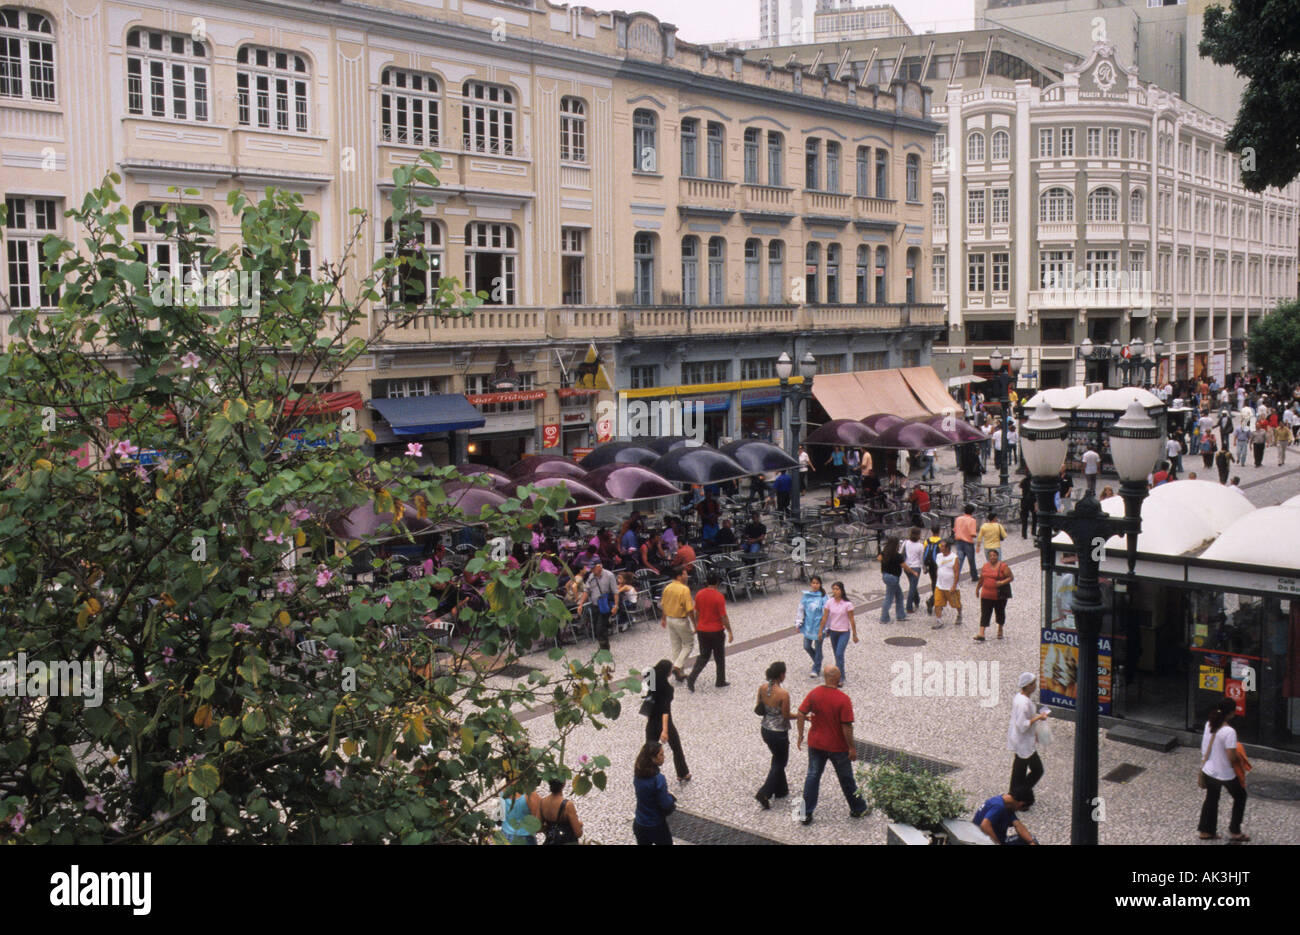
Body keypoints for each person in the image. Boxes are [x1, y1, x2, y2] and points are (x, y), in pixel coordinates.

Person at [796, 666, 867, 825]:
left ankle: (805, 813)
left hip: (816, 743)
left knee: (812, 776)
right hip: (837, 747)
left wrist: (800, 735)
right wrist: (852, 747)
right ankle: (858, 808)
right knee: (846, 778)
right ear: (838, 677)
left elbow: (801, 713)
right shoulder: (843, 699)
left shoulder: (814, 693)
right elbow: (846, 726)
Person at [1198, 698, 1249, 841]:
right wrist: (1241, 758)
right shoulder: (1229, 731)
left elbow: (1205, 747)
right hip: (1225, 773)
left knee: (1212, 799)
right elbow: (1231, 757)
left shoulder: (1209, 724)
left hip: (1209, 770)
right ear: (1231, 713)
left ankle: (1206, 831)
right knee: (1240, 796)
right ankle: (1235, 830)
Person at [643, 659, 690, 783]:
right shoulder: (667, 688)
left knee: (649, 750)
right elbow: (665, 710)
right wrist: (665, 730)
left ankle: (648, 774)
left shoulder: (651, 680)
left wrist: (649, 718)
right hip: (664, 722)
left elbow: (649, 699)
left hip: (652, 720)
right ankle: (682, 773)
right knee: (676, 748)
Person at [755, 661, 792, 809]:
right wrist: (803, 716)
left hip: (765, 729)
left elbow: (759, 707)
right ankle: (765, 792)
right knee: (780, 761)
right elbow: (786, 715)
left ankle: (781, 789)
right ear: (781, 675)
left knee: (776, 757)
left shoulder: (762, 688)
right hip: (779, 732)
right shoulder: (783, 694)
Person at [687, 571, 732, 691]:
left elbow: (697, 612)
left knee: (703, 656)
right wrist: (730, 631)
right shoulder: (719, 597)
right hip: (716, 631)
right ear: (717, 582)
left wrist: (696, 626)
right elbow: (723, 617)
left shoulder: (699, 594)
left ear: (706, 581)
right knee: (719, 657)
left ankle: (692, 677)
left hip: (702, 630)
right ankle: (720, 680)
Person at [1008, 672, 1050, 795]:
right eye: (1033, 684)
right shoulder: (1023, 703)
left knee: (1019, 769)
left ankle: (1015, 792)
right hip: (1024, 742)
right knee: (1037, 770)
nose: (1035, 686)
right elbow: (1023, 725)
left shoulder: (1020, 698)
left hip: (1021, 740)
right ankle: (1020, 793)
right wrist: (1039, 718)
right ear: (1028, 686)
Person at [632, 741, 676, 845]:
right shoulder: (658, 779)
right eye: (661, 754)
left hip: (639, 823)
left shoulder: (638, 774)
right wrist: (672, 798)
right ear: (653, 758)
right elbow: (665, 803)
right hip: (656, 825)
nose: (664, 757)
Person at [658, 566, 695, 681]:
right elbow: (689, 609)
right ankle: (677, 666)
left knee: (676, 645)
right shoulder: (684, 589)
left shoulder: (667, 587)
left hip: (670, 619)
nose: (686, 576)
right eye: (684, 574)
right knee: (689, 644)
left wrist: (663, 619)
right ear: (679, 576)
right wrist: (695, 624)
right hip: (681, 620)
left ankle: (680, 672)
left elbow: (663, 604)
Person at [818, 581, 859, 682]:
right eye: (833, 589)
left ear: (841, 590)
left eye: (837, 589)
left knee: (840, 653)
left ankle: (841, 677)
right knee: (837, 655)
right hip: (833, 631)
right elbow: (825, 617)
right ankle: (839, 673)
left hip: (844, 632)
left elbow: (852, 619)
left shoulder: (847, 604)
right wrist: (820, 630)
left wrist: (854, 634)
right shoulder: (829, 602)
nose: (835, 591)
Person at [576, 560, 619, 651]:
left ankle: (605, 649)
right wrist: (580, 604)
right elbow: (586, 591)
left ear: (599, 567)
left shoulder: (609, 575)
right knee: (597, 628)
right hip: (595, 605)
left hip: (605, 605)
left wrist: (616, 605)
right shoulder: (591, 577)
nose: (591, 570)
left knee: (600, 628)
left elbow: (615, 591)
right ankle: (603, 647)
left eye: (593, 568)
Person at [973, 786, 1038, 845]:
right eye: (1022, 809)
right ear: (1020, 804)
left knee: (1031, 839)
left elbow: (1017, 824)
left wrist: (1031, 841)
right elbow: (984, 825)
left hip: (989, 839)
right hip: (984, 841)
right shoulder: (999, 806)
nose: (1017, 811)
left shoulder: (1005, 803)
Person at [974, 547, 1013, 642]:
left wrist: (1002, 582)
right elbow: (982, 578)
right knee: (985, 613)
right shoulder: (985, 566)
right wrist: (978, 588)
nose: (992, 557)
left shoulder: (1003, 566)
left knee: (1000, 612)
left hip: (999, 595)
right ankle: (981, 633)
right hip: (986, 594)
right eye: (990, 556)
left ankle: (1000, 628)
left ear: (997, 556)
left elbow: (1011, 577)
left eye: (994, 555)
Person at [795, 575, 829, 679]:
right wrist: (799, 622)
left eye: (817, 583)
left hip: (819, 626)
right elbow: (801, 609)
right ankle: (818, 660)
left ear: (820, 584)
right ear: (810, 584)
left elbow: (826, 613)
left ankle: (816, 668)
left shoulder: (824, 597)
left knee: (818, 647)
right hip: (808, 626)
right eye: (813, 583)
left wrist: (826, 628)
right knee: (806, 646)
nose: (815, 585)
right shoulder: (806, 596)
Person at [539, 779, 583, 845]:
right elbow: (578, 833)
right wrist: (579, 824)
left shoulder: (542, 802)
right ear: (564, 784)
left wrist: (551, 829)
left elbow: (538, 827)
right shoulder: (568, 805)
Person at [931, 538, 963, 629]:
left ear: (947, 548)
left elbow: (956, 572)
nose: (940, 547)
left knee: (956, 604)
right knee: (937, 603)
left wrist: (954, 585)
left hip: (951, 587)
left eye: (942, 546)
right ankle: (939, 620)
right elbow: (939, 567)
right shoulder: (938, 556)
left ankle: (959, 613)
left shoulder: (954, 558)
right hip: (940, 585)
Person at [499, 779, 542, 845]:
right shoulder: (530, 794)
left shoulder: (502, 789)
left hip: (505, 835)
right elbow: (537, 821)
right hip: (525, 837)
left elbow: (500, 816)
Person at [878, 537, 906, 624]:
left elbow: (878, 558)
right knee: (889, 598)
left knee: (899, 595)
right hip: (894, 578)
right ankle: (884, 618)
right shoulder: (898, 556)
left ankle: (901, 615)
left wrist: (885, 563)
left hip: (886, 575)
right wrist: (913, 572)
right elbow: (904, 566)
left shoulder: (884, 553)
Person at [901, 526, 925, 615]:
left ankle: (917, 600)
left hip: (907, 567)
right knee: (912, 587)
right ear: (918, 535)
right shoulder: (920, 546)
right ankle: (909, 606)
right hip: (916, 567)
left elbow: (901, 553)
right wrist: (924, 567)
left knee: (912, 584)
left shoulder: (905, 543)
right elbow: (921, 558)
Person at [921, 523, 943, 615]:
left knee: (934, 582)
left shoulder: (927, 541)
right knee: (940, 585)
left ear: (931, 531)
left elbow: (924, 554)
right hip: (938, 565)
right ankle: (933, 601)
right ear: (939, 531)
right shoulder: (941, 542)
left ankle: (936, 602)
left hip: (930, 565)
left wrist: (924, 566)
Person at [953, 504, 978, 582]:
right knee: (971, 561)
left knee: (959, 561)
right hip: (968, 543)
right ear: (972, 512)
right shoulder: (972, 520)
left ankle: (955, 577)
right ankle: (974, 577)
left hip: (958, 542)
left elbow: (954, 530)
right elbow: (973, 534)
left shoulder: (958, 519)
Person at [1018, 471, 1035, 539]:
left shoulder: (1024, 481)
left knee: (1024, 519)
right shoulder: (1033, 483)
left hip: (1024, 501)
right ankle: (1033, 532)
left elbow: (1020, 486)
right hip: (1032, 502)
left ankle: (1024, 534)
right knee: (1034, 518)